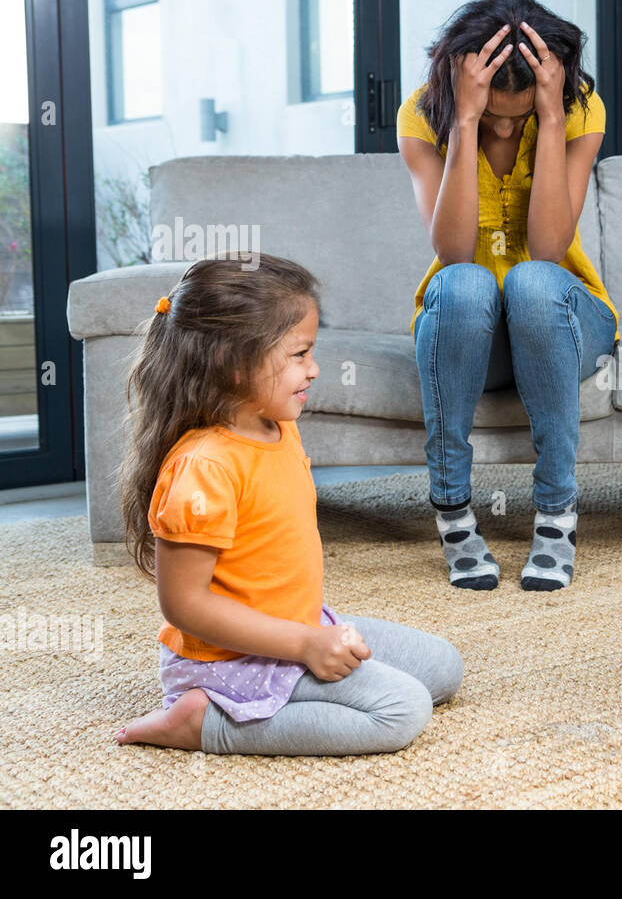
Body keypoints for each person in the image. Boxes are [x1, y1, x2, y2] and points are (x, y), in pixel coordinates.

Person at [114, 253, 463, 755]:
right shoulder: (203, 467)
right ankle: (203, 720)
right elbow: (184, 605)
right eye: (299, 354)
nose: (314, 369)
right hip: (227, 660)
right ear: (233, 363)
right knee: (402, 709)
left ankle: (289, 686)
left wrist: (311, 638)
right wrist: (305, 646)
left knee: (443, 667)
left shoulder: (280, 427)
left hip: (298, 628)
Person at [396, 0, 617, 592]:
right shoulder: (424, 115)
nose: (503, 125)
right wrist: (465, 124)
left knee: (532, 280)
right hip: (471, 332)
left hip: (562, 320)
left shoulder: (576, 110)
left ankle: (556, 514)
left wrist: (547, 120)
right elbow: (455, 250)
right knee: (462, 283)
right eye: (492, 110)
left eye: (515, 116)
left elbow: (547, 248)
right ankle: (454, 512)